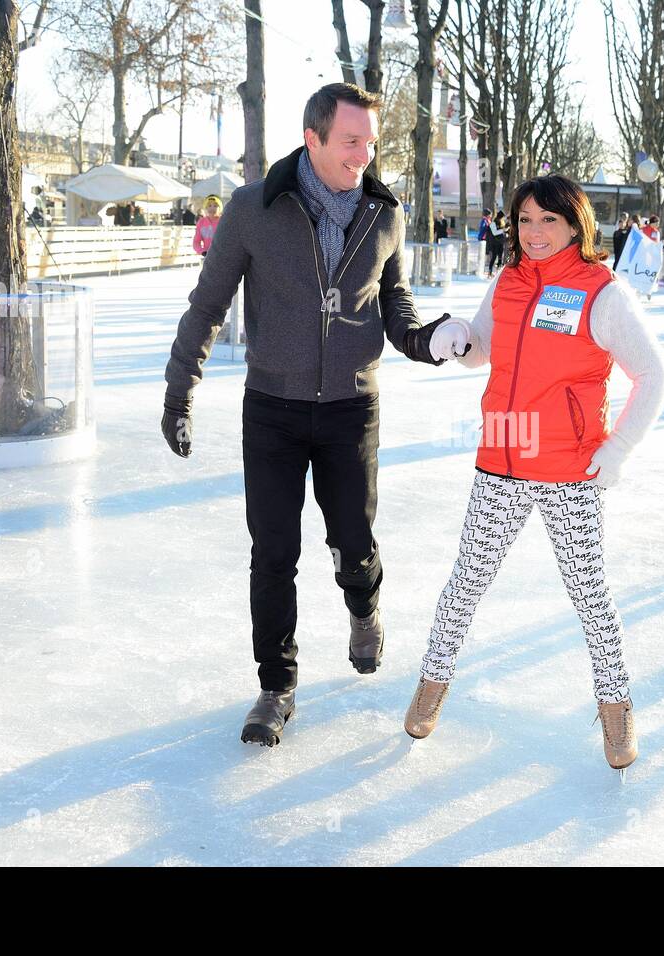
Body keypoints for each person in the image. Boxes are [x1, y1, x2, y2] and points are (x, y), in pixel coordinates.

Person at [162, 82, 457, 748]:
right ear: (313, 138)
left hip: (352, 407)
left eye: (370, 142)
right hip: (272, 408)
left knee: (353, 541)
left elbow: (398, 307)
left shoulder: (384, 213)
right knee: (273, 553)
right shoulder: (254, 208)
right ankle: (276, 686)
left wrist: (429, 340)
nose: (364, 154)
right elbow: (207, 304)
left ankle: (364, 607)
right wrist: (180, 391)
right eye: (351, 141)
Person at [402, 175, 664, 771]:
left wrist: (619, 447)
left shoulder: (602, 292)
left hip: (570, 468)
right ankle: (431, 686)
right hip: (502, 454)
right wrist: (456, 337)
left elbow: (653, 375)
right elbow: (482, 352)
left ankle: (616, 710)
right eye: (524, 220)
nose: (535, 232)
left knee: (589, 595)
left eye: (549, 220)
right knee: (465, 583)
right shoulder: (508, 282)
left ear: (576, 224)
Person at [484, 211, 507, 277]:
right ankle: (490, 272)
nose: (502, 220)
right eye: (502, 218)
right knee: (493, 257)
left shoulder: (502, 223)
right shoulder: (493, 223)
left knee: (500, 258)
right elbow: (495, 232)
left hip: (500, 243)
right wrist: (503, 230)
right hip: (494, 243)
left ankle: (498, 273)